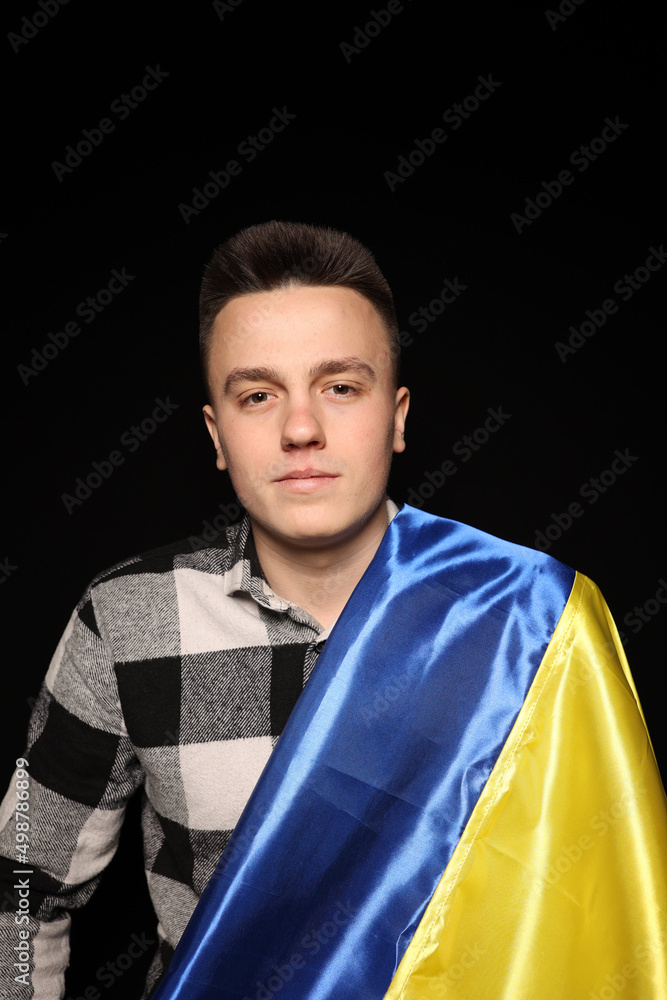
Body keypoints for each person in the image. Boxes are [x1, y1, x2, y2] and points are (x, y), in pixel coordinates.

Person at [1, 221, 665, 1000]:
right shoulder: (126, 618)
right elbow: (19, 886)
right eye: (258, 395)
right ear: (216, 435)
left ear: (398, 415)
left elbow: (602, 907)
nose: (300, 429)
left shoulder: (527, 619)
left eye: (340, 387)